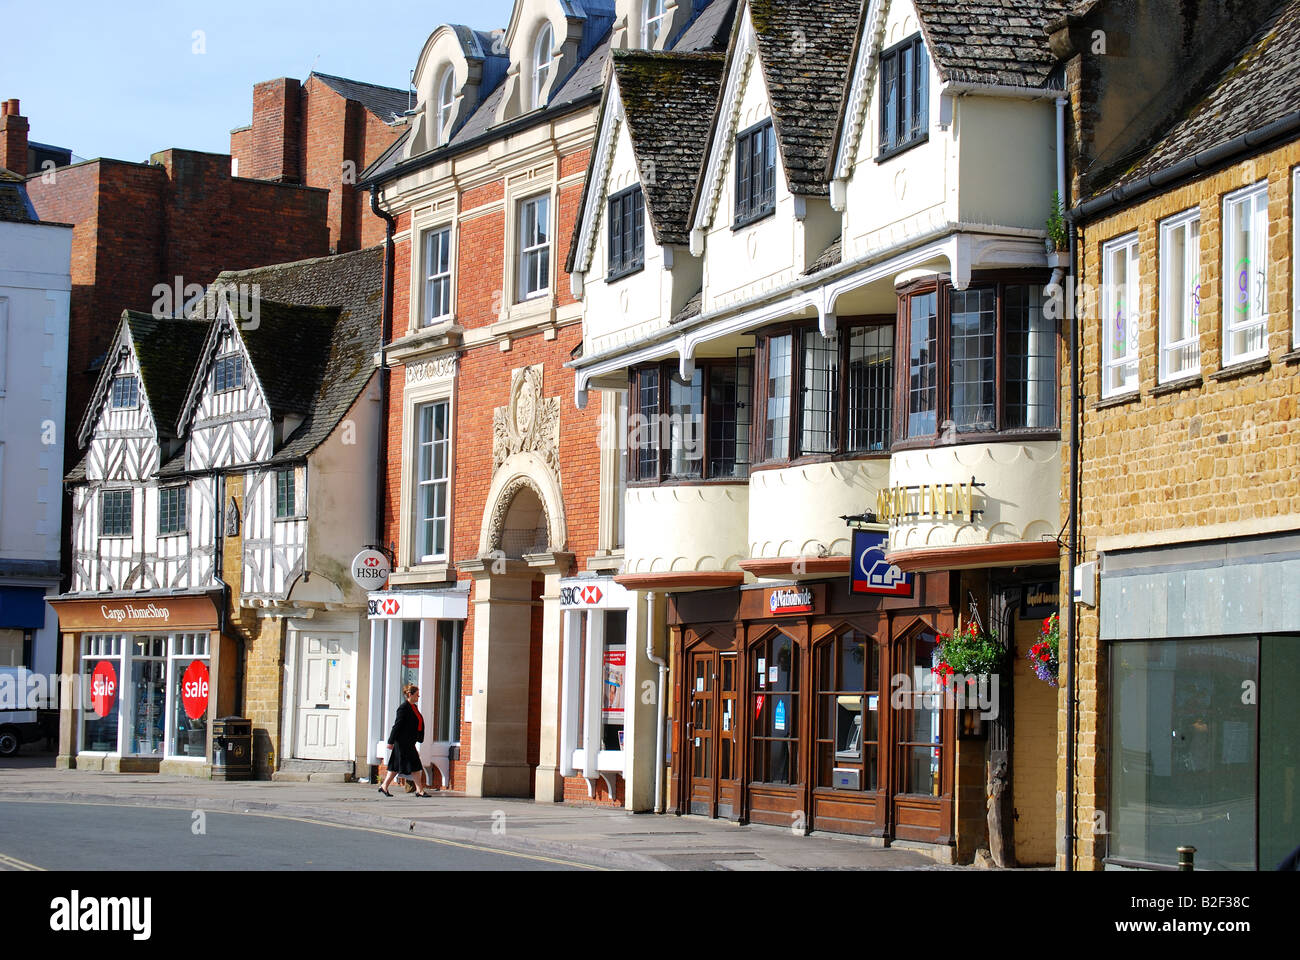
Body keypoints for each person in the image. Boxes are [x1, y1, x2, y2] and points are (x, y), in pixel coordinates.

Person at [378, 684, 433, 797]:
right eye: (417, 695)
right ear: (409, 695)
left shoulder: (414, 707)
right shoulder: (403, 708)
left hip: (409, 742)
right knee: (415, 765)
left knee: (396, 766)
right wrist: (390, 741)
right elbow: (397, 725)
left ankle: (384, 786)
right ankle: (419, 790)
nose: (419, 697)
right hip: (403, 742)